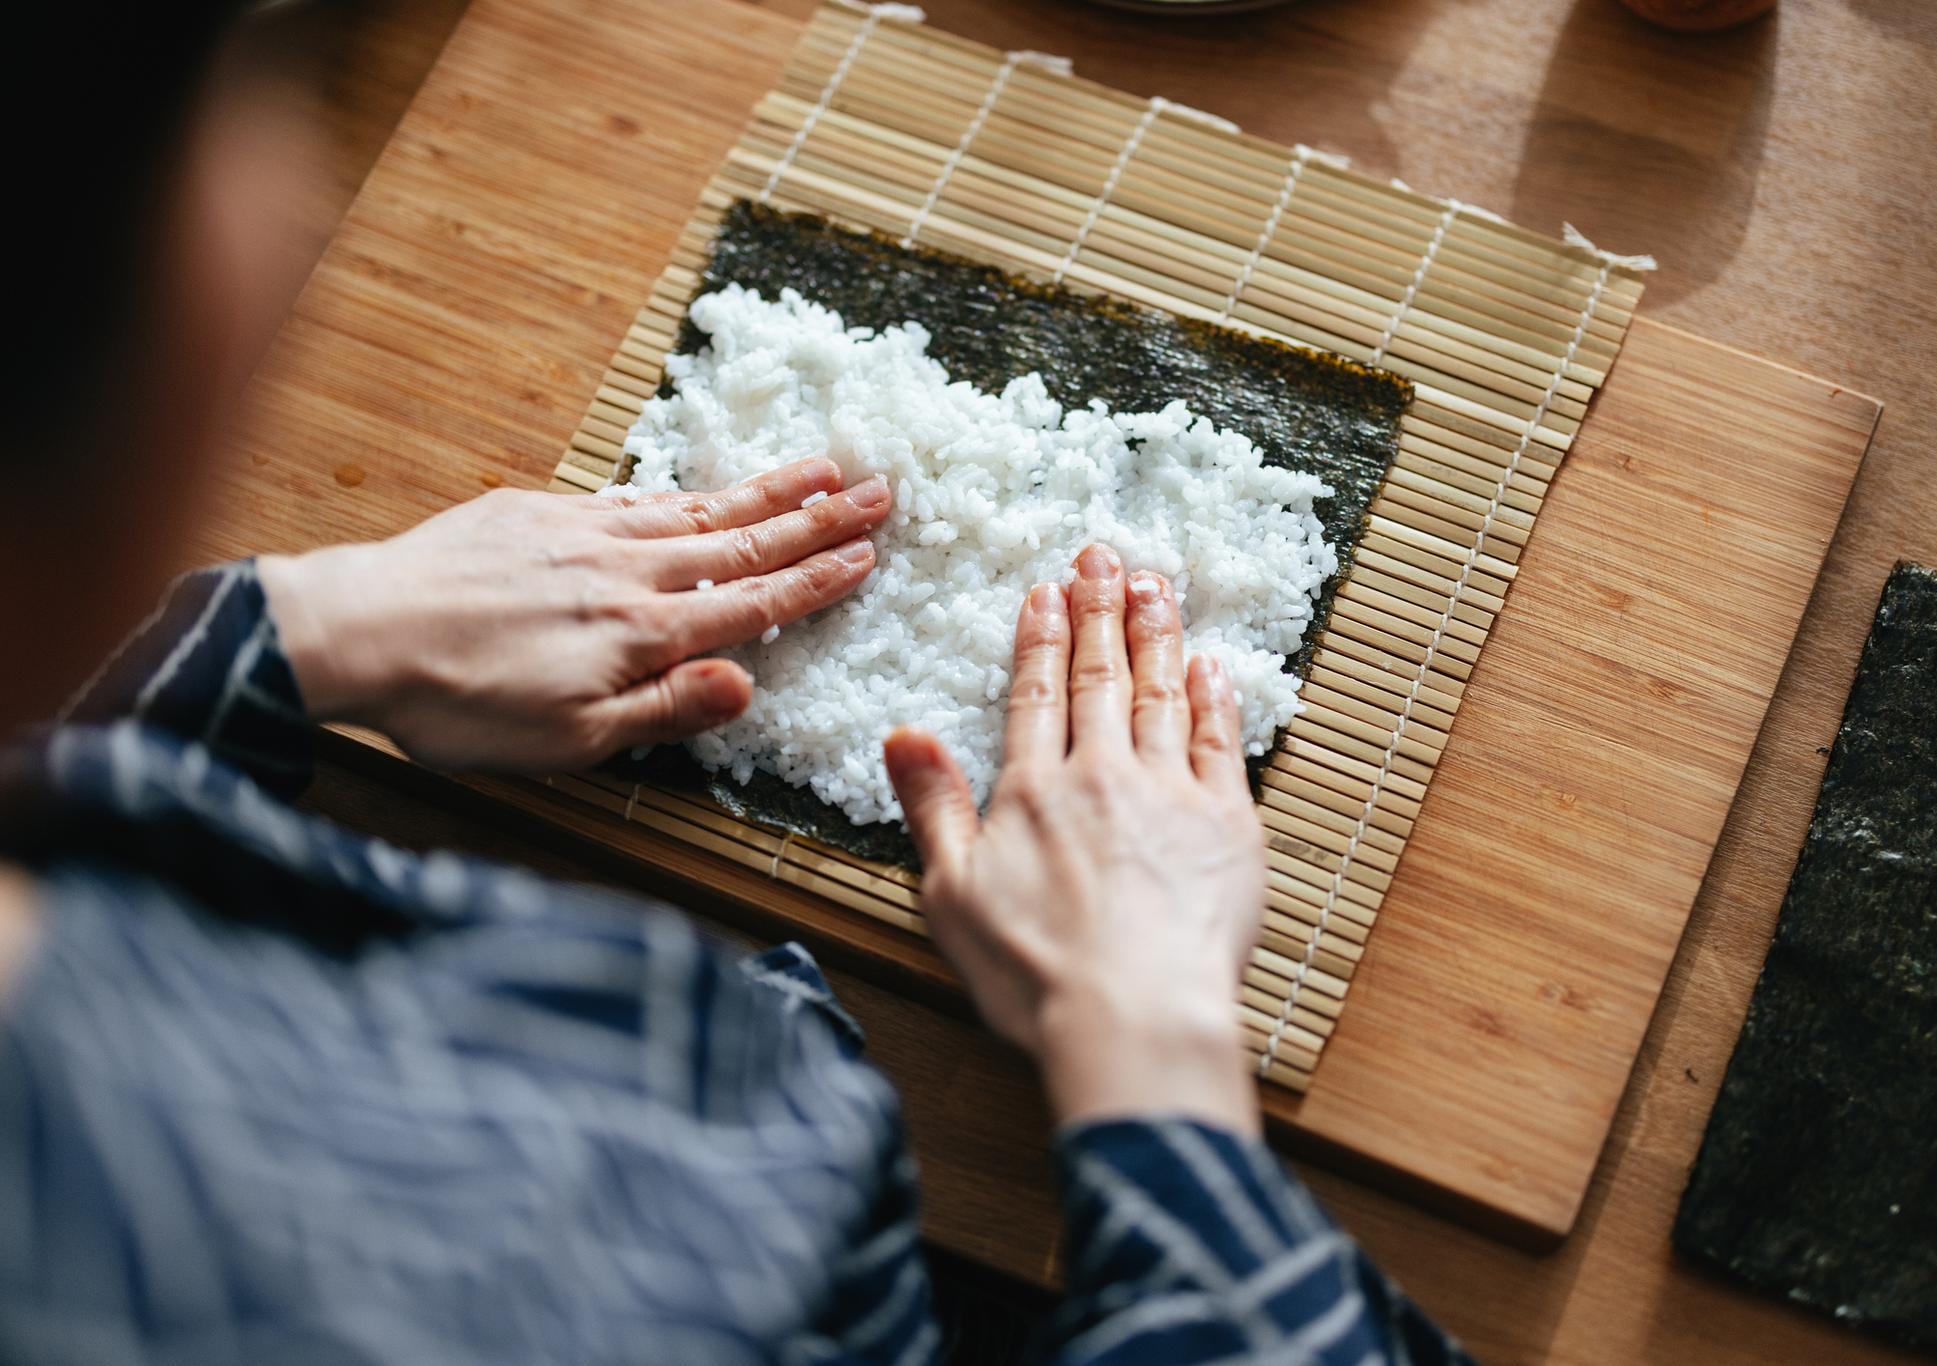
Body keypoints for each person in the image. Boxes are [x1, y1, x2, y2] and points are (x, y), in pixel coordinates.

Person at [0, 2, 1468, 1362]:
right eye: (264, 81)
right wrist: (1150, 1044)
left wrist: (292, 624)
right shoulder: (649, 1178)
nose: (303, 197)